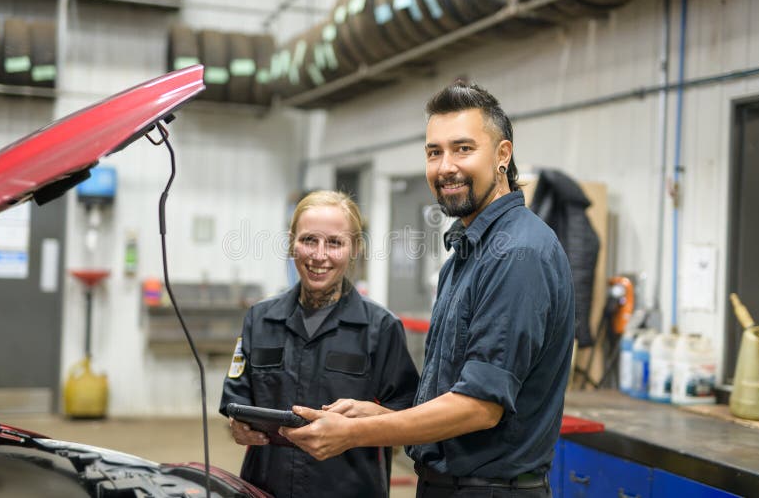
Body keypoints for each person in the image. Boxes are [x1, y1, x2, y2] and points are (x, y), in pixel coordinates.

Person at [282, 83, 575, 498]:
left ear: (502, 156)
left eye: (463, 149)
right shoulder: (467, 251)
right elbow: (456, 391)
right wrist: (379, 413)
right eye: (434, 152)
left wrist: (358, 431)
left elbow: (479, 406)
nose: (445, 167)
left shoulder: (517, 253)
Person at [219, 190, 419, 498]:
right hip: (265, 490)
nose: (319, 255)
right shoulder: (260, 319)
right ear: (291, 243)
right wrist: (237, 426)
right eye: (309, 240)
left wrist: (373, 417)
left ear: (356, 249)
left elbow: (411, 419)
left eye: (335, 243)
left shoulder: (381, 328)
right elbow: (237, 401)